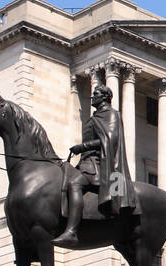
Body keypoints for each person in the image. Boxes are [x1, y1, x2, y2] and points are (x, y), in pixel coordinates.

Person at [52, 83, 137, 246]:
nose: (93, 96)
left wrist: (81, 147)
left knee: (74, 183)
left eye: (96, 93)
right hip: (87, 163)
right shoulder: (97, 116)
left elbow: (109, 140)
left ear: (105, 97)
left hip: (98, 165)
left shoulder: (111, 114)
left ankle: (72, 231)